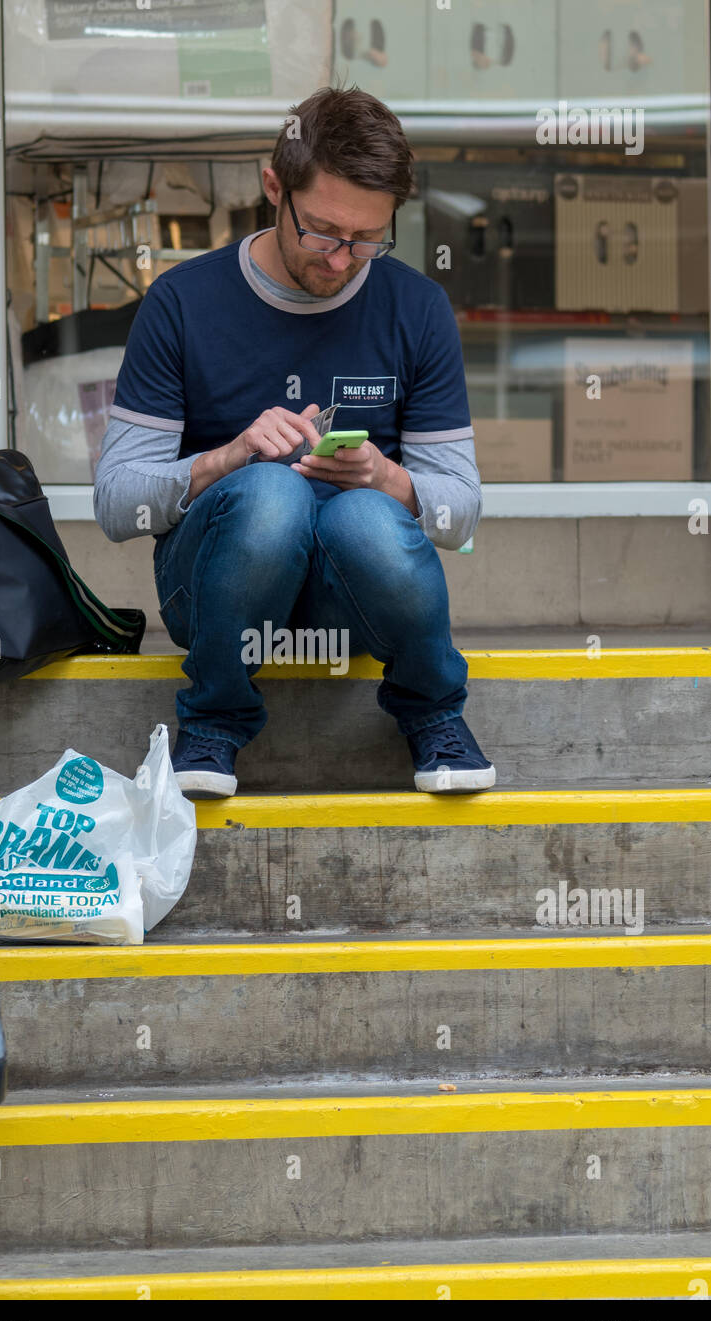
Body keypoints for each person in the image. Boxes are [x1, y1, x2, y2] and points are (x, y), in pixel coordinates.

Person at [94, 85, 495, 800]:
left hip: (351, 599)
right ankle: (212, 722)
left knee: (370, 516)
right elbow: (117, 504)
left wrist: (385, 478)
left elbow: (459, 514)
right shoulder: (183, 301)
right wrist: (230, 456)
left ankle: (433, 714)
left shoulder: (417, 309)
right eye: (322, 231)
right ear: (273, 187)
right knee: (270, 493)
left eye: (368, 238)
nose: (343, 259)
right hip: (215, 589)